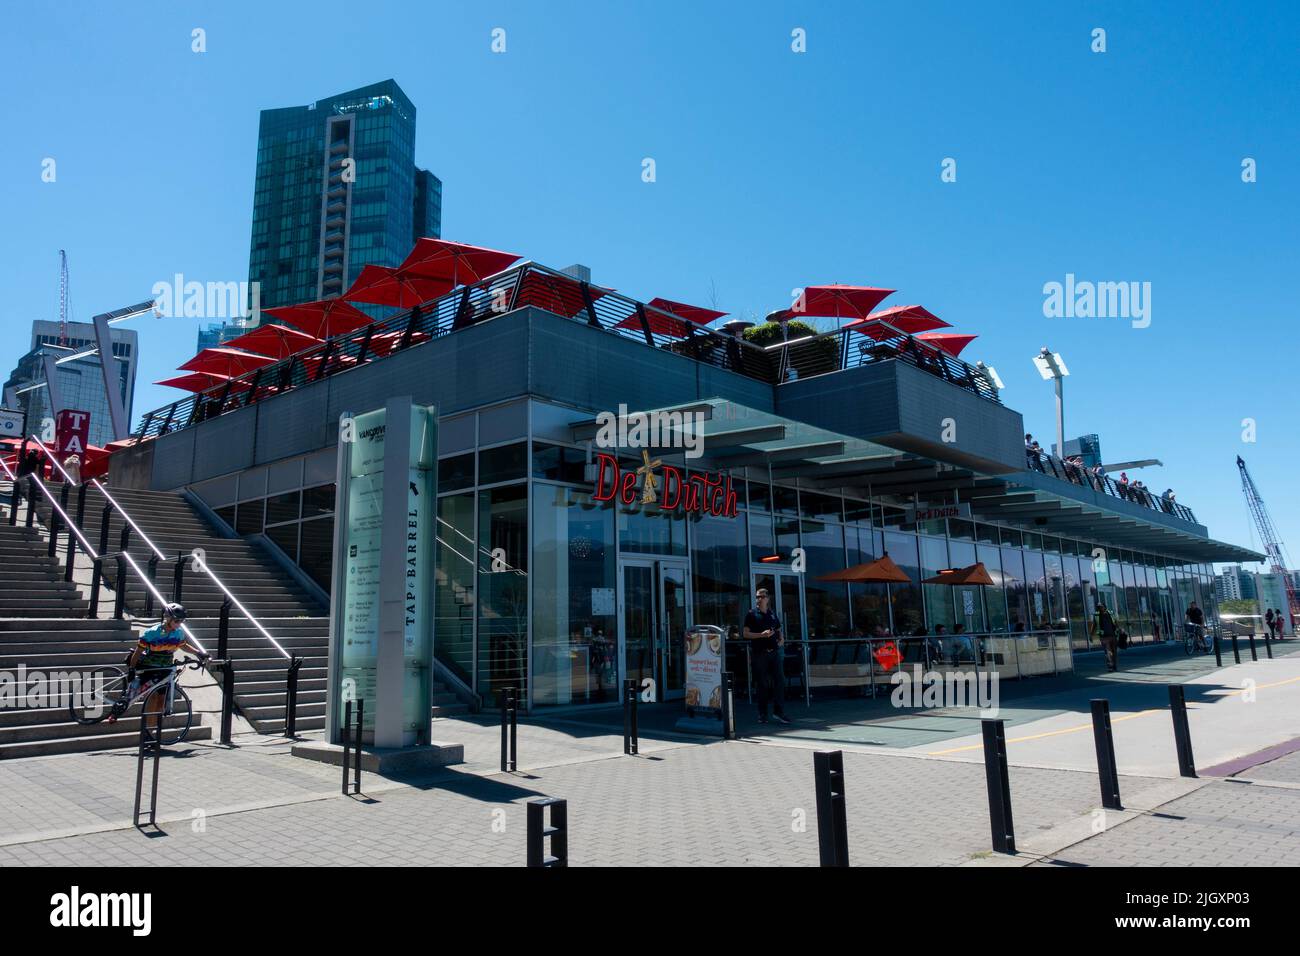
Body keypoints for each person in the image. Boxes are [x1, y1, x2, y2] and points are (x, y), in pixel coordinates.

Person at [112, 603, 207, 725]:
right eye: (177, 621)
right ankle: (145, 728)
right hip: (149, 668)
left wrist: (199, 653)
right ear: (168, 618)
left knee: (161, 700)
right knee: (152, 697)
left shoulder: (178, 633)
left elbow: (183, 645)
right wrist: (132, 668)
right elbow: (138, 651)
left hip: (166, 668)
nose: (179, 624)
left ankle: (153, 731)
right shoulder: (152, 632)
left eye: (181, 621)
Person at [742, 589, 789, 725]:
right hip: (759, 653)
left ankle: (779, 712)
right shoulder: (751, 614)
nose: (759, 599)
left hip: (774, 652)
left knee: (779, 681)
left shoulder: (772, 614)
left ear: (768, 599)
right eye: (757, 597)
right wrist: (761, 635)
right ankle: (762, 714)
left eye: (762, 597)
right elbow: (745, 634)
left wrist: (781, 639)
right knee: (762, 684)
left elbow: (779, 630)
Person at [1091, 601, 1120, 671]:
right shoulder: (1096, 615)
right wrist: (1091, 634)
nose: (1100, 608)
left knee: (1114, 652)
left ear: (1105, 607)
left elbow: (1116, 622)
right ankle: (1110, 666)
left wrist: (1119, 630)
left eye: (1101, 606)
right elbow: (1094, 625)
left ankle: (1114, 665)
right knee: (1108, 652)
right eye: (1099, 607)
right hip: (1104, 637)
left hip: (1113, 635)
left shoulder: (1111, 613)